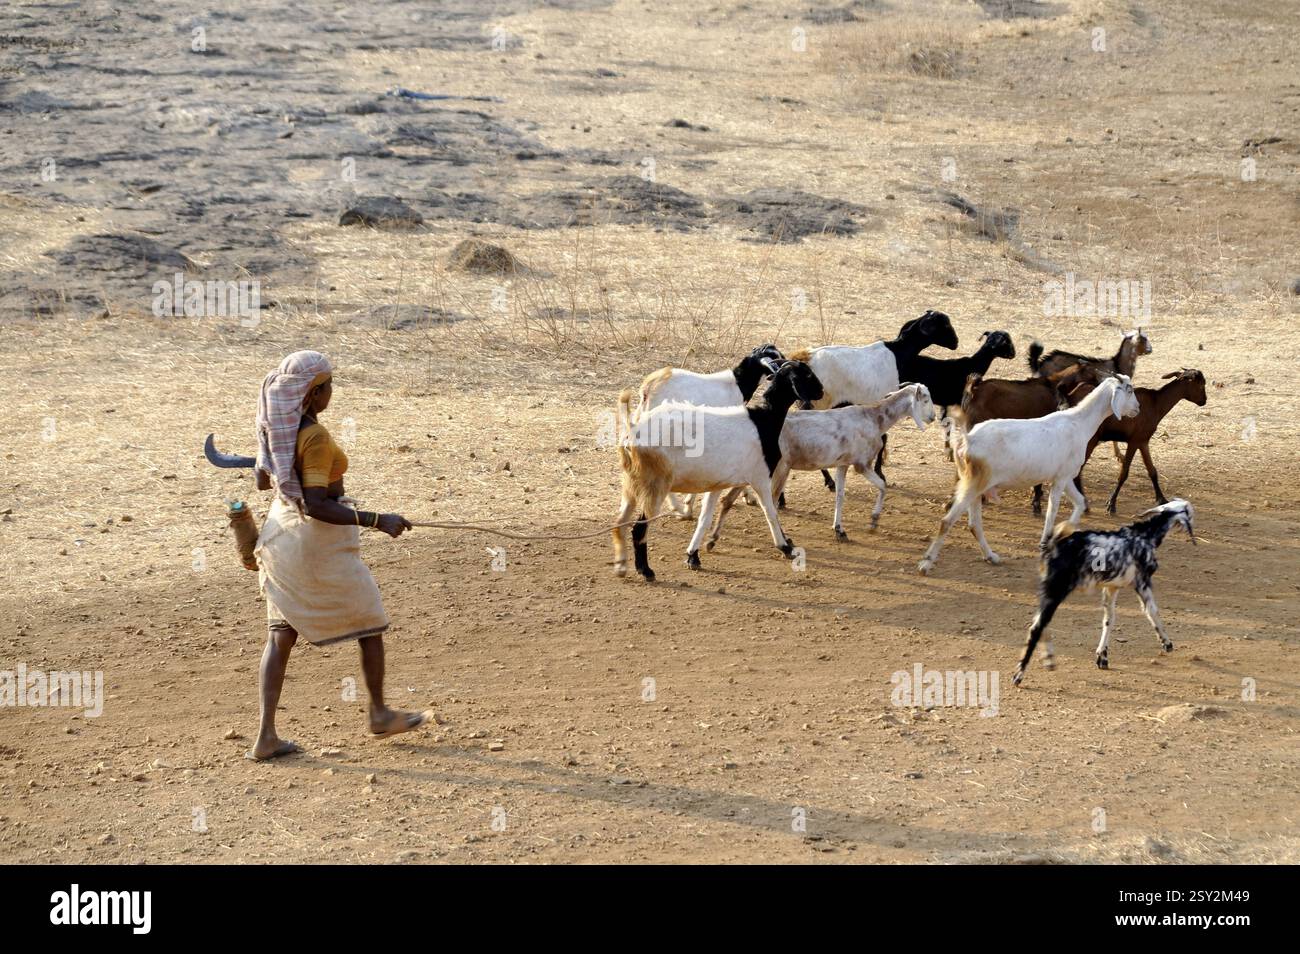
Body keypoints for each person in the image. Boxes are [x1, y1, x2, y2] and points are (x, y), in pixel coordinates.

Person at [247, 350, 425, 760]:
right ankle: (378, 712)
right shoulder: (316, 438)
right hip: (314, 543)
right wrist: (378, 519)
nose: (332, 392)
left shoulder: (276, 429)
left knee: (280, 635)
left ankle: (266, 736)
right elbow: (317, 505)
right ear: (314, 393)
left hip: (279, 539)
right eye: (328, 385)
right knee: (370, 622)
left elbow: (263, 481)